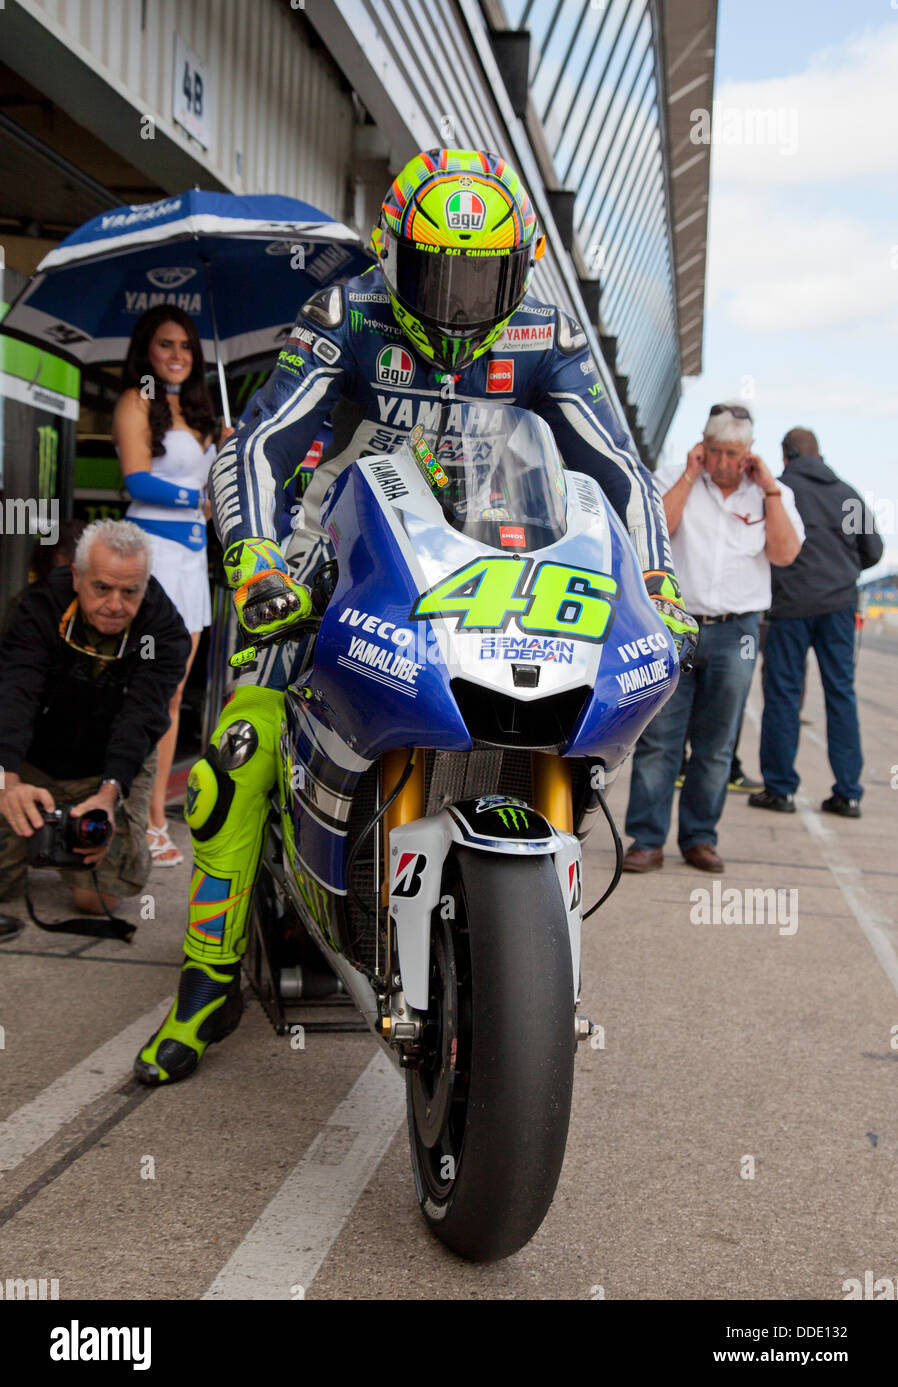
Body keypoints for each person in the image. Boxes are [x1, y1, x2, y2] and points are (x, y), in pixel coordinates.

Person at [133, 147, 698, 1086]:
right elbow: (264, 441)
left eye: (491, 272)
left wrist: (661, 583)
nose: (468, 295)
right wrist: (257, 556)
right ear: (396, 255)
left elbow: (618, 466)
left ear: (521, 267)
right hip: (345, 551)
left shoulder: (545, 332)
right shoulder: (346, 313)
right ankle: (207, 978)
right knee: (237, 750)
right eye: (445, 268)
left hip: (490, 555)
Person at [622, 403, 804, 874]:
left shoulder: (771, 493)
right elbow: (655, 530)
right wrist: (688, 475)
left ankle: (700, 838)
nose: (724, 461)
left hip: (736, 631)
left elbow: (784, 554)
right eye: (717, 451)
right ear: (703, 446)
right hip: (675, 625)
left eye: (734, 453)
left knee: (717, 743)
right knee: (660, 738)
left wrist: (769, 490)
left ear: (749, 452)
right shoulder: (674, 476)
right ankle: (646, 839)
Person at [0, 520, 190, 935]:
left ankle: (111, 836)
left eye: (130, 591)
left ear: (145, 583)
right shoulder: (37, 609)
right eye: (102, 588)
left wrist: (109, 794)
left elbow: (141, 718)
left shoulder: (166, 632)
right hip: (31, 758)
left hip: (107, 761)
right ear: (77, 577)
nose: (116, 604)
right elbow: (15, 695)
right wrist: (7, 781)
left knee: (95, 900)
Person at [114, 306, 232, 867]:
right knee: (145, 689)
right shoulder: (136, 402)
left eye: (186, 346)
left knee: (174, 694)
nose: (178, 356)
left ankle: (153, 810)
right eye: (166, 345)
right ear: (147, 350)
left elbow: (210, 494)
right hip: (150, 557)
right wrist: (197, 497)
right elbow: (135, 479)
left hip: (191, 562)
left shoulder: (202, 412)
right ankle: (144, 817)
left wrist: (227, 452)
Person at [749, 427, 883, 817]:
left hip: (789, 606)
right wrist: (841, 570)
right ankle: (849, 793)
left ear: (787, 456)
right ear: (818, 455)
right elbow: (873, 551)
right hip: (839, 606)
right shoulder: (847, 494)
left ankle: (780, 789)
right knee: (841, 694)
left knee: (784, 696)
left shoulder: (777, 491)